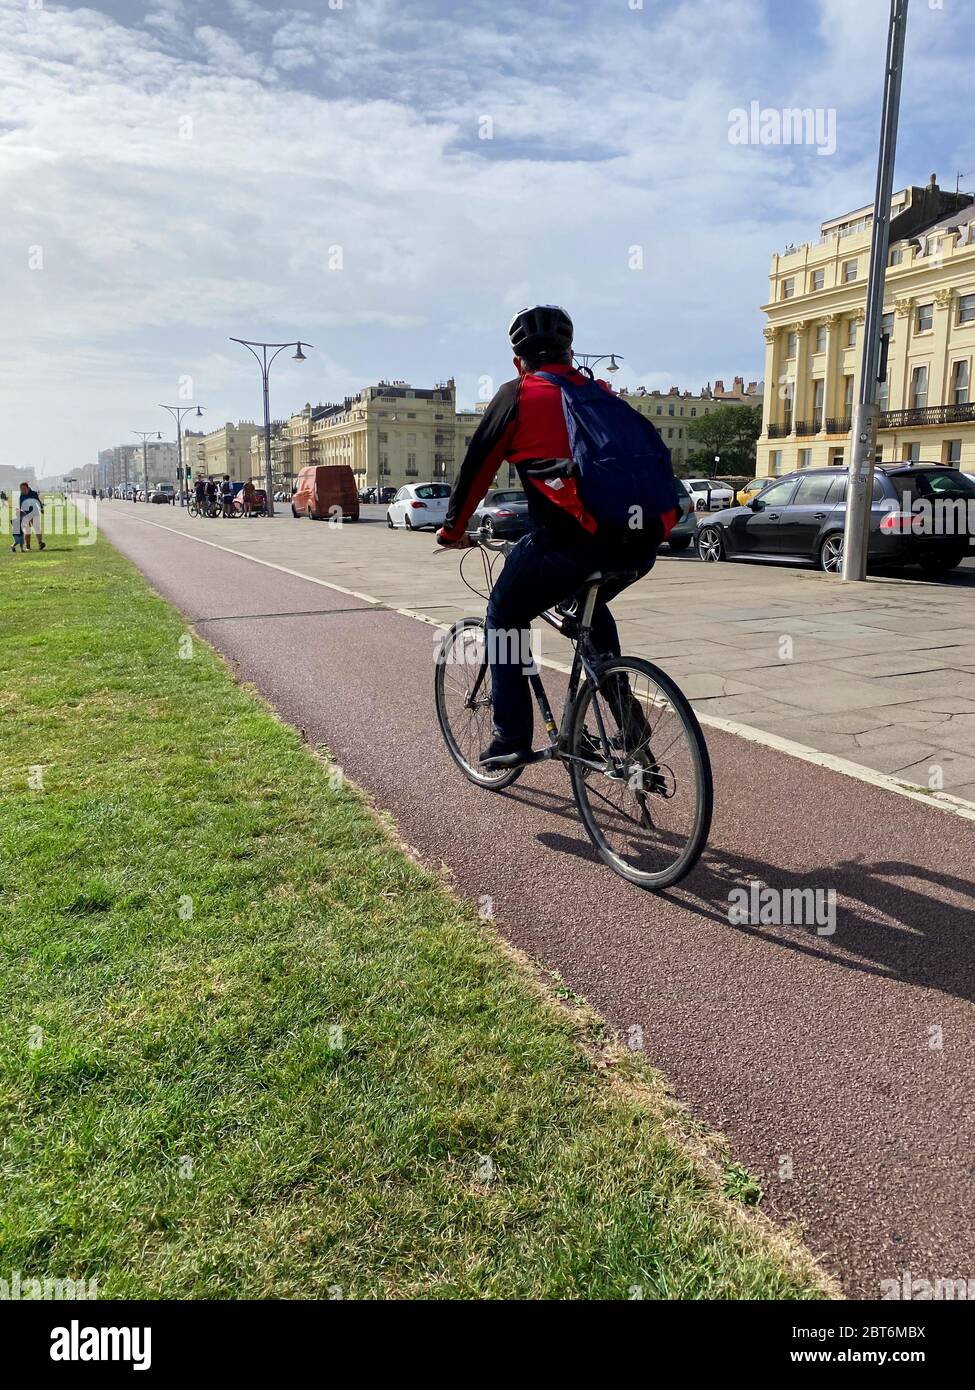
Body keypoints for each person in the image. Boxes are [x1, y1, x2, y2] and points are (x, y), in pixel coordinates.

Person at [436, 305, 677, 768]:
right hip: (640, 543)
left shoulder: (518, 395)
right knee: (586, 606)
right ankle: (627, 721)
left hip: (568, 542)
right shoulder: (601, 394)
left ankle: (509, 736)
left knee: (504, 612)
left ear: (517, 360)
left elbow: (476, 471)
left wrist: (452, 529)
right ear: (570, 352)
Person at [19, 481, 45, 551]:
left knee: (37, 528)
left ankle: (40, 543)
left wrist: (42, 508)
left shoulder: (33, 493)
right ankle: (28, 546)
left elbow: (38, 501)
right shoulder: (21, 496)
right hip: (26, 515)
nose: (22, 490)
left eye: (23, 488)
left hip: (34, 513)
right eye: (21, 489)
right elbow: (21, 506)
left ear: (27, 488)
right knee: (27, 530)